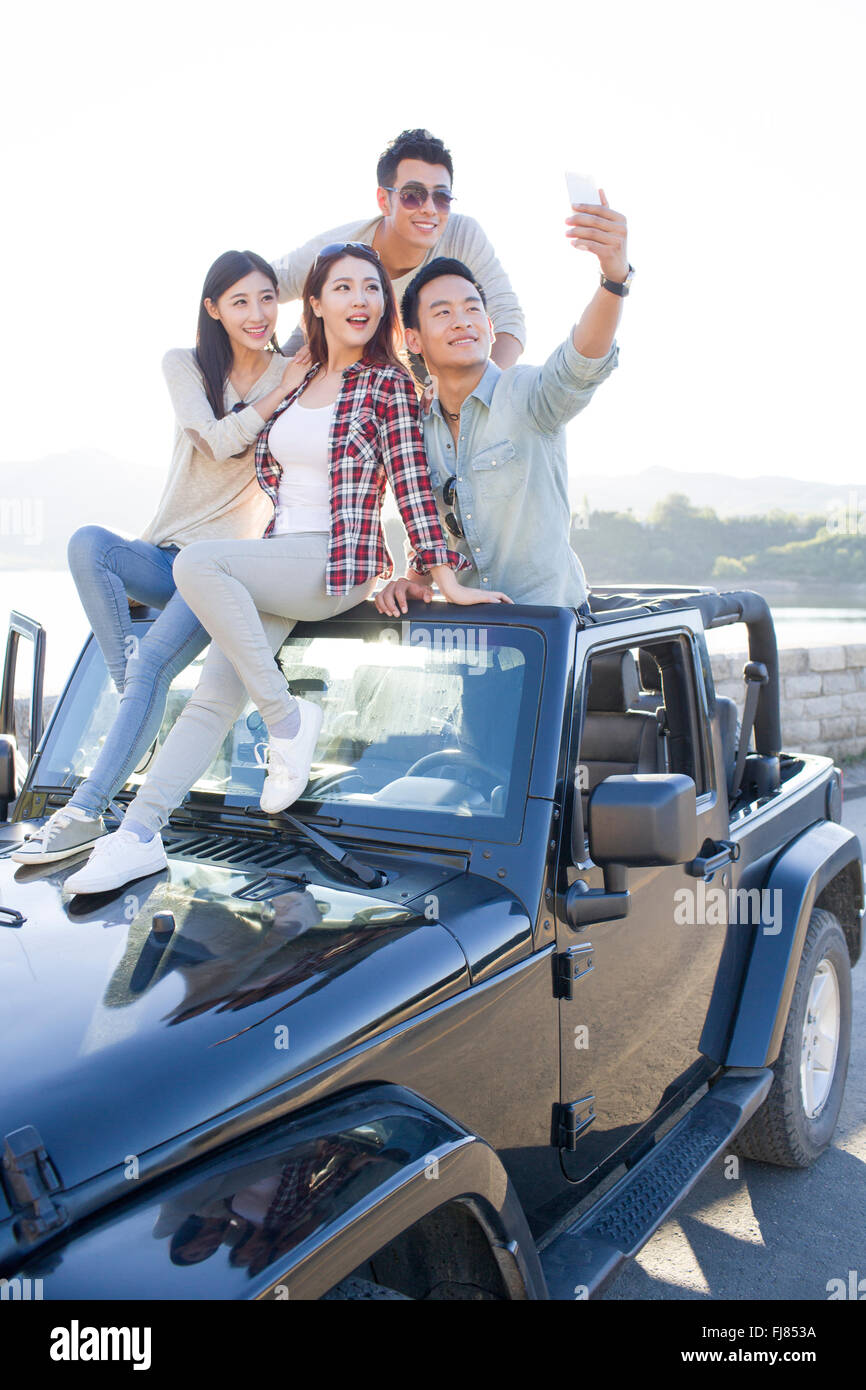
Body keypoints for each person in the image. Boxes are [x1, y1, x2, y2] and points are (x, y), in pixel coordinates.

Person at [65, 243, 506, 894]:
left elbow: (412, 484)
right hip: (276, 557)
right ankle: (138, 834)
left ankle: (286, 722)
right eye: (344, 288)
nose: (361, 300)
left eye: (372, 289)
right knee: (213, 697)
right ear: (318, 304)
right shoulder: (294, 380)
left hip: (339, 560)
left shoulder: (388, 383)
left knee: (201, 565)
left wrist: (439, 577)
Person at [14, 251, 312, 868]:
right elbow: (216, 439)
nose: (257, 314)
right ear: (213, 309)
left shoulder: (296, 369)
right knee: (88, 544)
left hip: (219, 568)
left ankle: (87, 809)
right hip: (164, 554)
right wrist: (275, 393)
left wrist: (285, 381)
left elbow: (348, 269)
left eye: (266, 299)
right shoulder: (187, 365)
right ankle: (134, 692)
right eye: (240, 302)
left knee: (154, 661)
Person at [375, 191, 632, 615]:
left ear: (490, 328)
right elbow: (427, 523)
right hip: (472, 636)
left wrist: (613, 279)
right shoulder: (415, 428)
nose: (462, 320)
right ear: (414, 341)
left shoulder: (529, 396)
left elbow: (581, 359)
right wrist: (410, 581)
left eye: (472, 309)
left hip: (551, 636)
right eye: (442, 313)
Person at [273, 128, 525, 370]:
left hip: (406, 370)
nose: (429, 208)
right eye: (412, 195)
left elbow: (508, 317)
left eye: (441, 197)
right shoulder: (332, 251)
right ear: (384, 200)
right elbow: (257, 285)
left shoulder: (463, 236)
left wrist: (484, 392)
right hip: (319, 350)